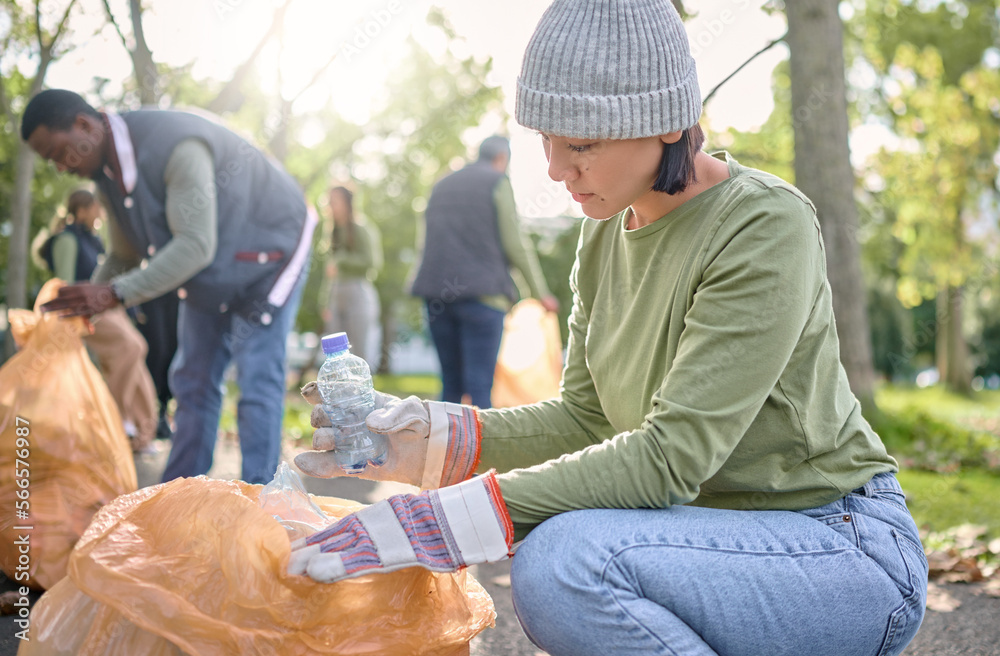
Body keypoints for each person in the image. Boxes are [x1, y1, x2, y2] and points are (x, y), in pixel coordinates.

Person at [292, 2, 928, 655]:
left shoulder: (763, 227)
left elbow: (670, 458)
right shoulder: (601, 232)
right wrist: (425, 440)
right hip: (705, 540)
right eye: (545, 138)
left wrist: (445, 522)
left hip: (839, 545)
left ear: (664, 124)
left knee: (566, 564)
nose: (554, 168)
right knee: (560, 546)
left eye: (583, 144)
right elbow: (586, 421)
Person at [21, 89, 316, 485]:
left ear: (84, 126)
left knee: (257, 374)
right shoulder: (106, 175)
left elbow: (194, 245)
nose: (59, 167)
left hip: (272, 252)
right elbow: (124, 252)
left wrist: (111, 295)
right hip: (213, 267)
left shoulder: (175, 144)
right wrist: (89, 300)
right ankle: (179, 493)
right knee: (191, 379)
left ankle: (262, 500)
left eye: (57, 152)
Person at [410, 135, 559, 409]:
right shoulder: (497, 181)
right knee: (479, 386)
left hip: (436, 296)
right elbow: (514, 243)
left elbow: (425, 242)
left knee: (450, 386)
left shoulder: (442, 184)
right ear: (502, 158)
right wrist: (540, 293)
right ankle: (481, 452)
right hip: (482, 297)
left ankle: (447, 451)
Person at [37, 188, 159, 452]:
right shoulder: (67, 240)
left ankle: (141, 431)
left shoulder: (95, 241)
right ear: (82, 211)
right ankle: (114, 420)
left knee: (137, 350)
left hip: (105, 308)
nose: (101, 213)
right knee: (131, 347)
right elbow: (65, 284)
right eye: (95, 207)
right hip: (82, 311)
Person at [321, 186, 382, 366]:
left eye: (335, 201)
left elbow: (371, 262)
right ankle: (340, 392)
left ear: (347, 203)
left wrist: (341, 260)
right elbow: (330, 275)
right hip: (336, 293)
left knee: (359, 350)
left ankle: (361, 391)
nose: (331, 205)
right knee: (335, 354)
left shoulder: (361, 229)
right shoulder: (332, 232)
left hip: (357, 291)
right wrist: (324, 303)